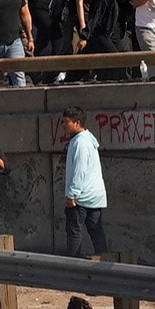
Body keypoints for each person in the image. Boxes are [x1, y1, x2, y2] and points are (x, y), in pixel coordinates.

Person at [55, 107, 107, 257]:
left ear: (77, 123)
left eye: (66, 122)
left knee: (74, 232)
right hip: (95, 196)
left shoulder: (79, 143)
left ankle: (74, 267)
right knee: (97, 233)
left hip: (81, 197)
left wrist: (72, 195)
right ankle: (106, 264)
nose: (63, 125)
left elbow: (79, 170)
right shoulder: (88, 139)